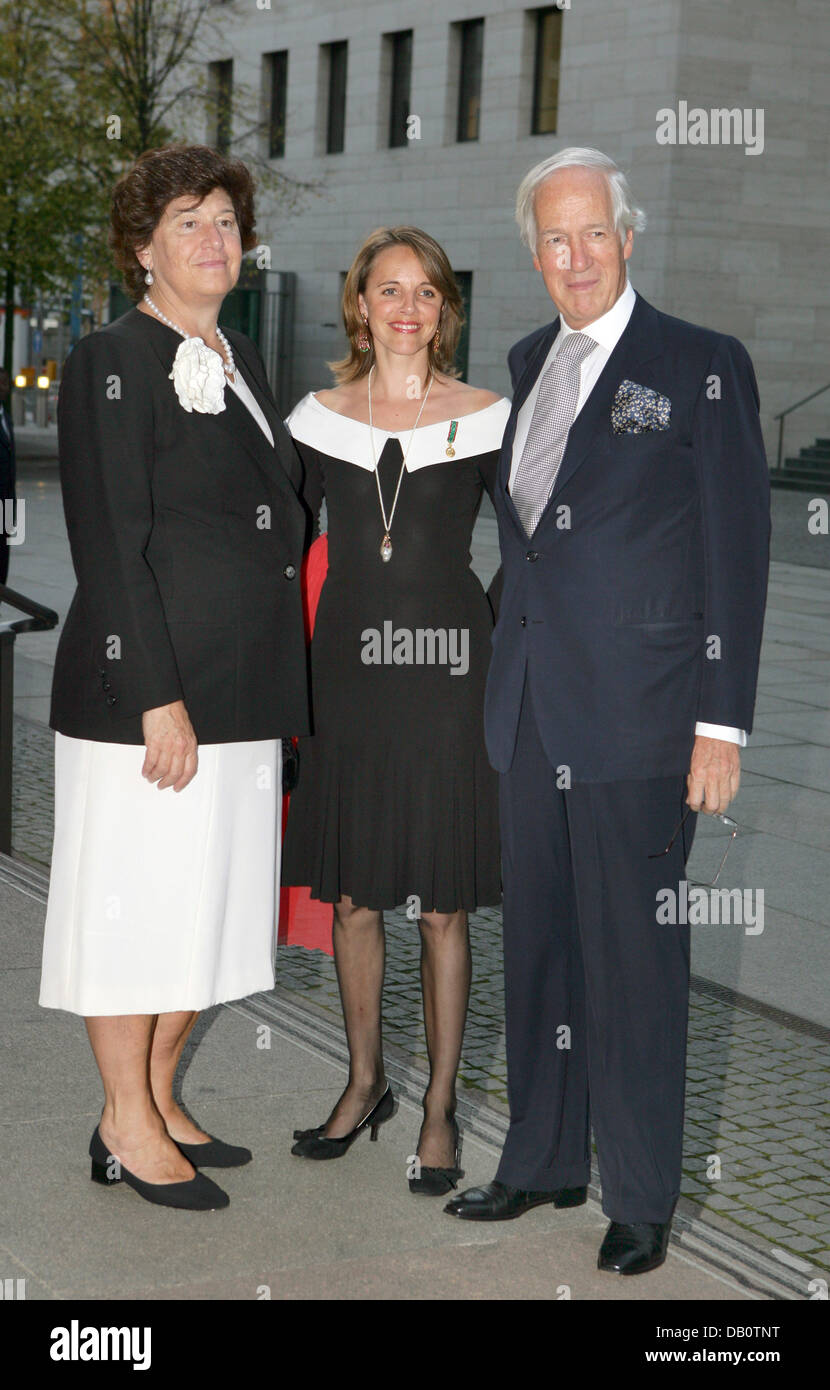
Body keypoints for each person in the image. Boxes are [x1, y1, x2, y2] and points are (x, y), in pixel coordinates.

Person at [445, 148, 770, 1274]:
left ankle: (637, 1194)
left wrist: (718, 723)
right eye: (552, 239)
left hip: (641, 723)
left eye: (592, 233)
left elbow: (737, 553)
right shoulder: (528, 358)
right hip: (530, 713)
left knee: (633, 964)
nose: (573, 257)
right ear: (532, 252)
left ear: (626, 237)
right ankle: (538, 1158)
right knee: (536, 945)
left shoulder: (699, 364)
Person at [39, 144, 310, 1211]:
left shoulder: (236, 353)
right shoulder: (112, 356)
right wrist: (156, 692)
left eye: (226, 223)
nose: (213, 240)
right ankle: (123, 1119)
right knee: (136, 913)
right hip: (146, 699)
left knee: (205, 912)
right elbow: (109, 541)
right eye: (188, 222)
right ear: (142, 248)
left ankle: (156, 1094)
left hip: (240, 693)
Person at [282, 227, 511, 1194]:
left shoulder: (488, 415)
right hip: (348, 679)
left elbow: (543, 546)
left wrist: (493, 637)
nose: (407, 307)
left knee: (445, 906)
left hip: (450, 681)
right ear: (360, 306)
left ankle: (440, 1108)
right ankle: (366, 1080)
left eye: (426, 291)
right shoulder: (319, 416)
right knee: (353, 896)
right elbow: (275, 548)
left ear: (444, 309)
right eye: (389, 290)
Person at [0, 368, 16, 585]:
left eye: (5, 383)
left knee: (4, 559)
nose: (2, 387)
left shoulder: (6, 418)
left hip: (9, 504)